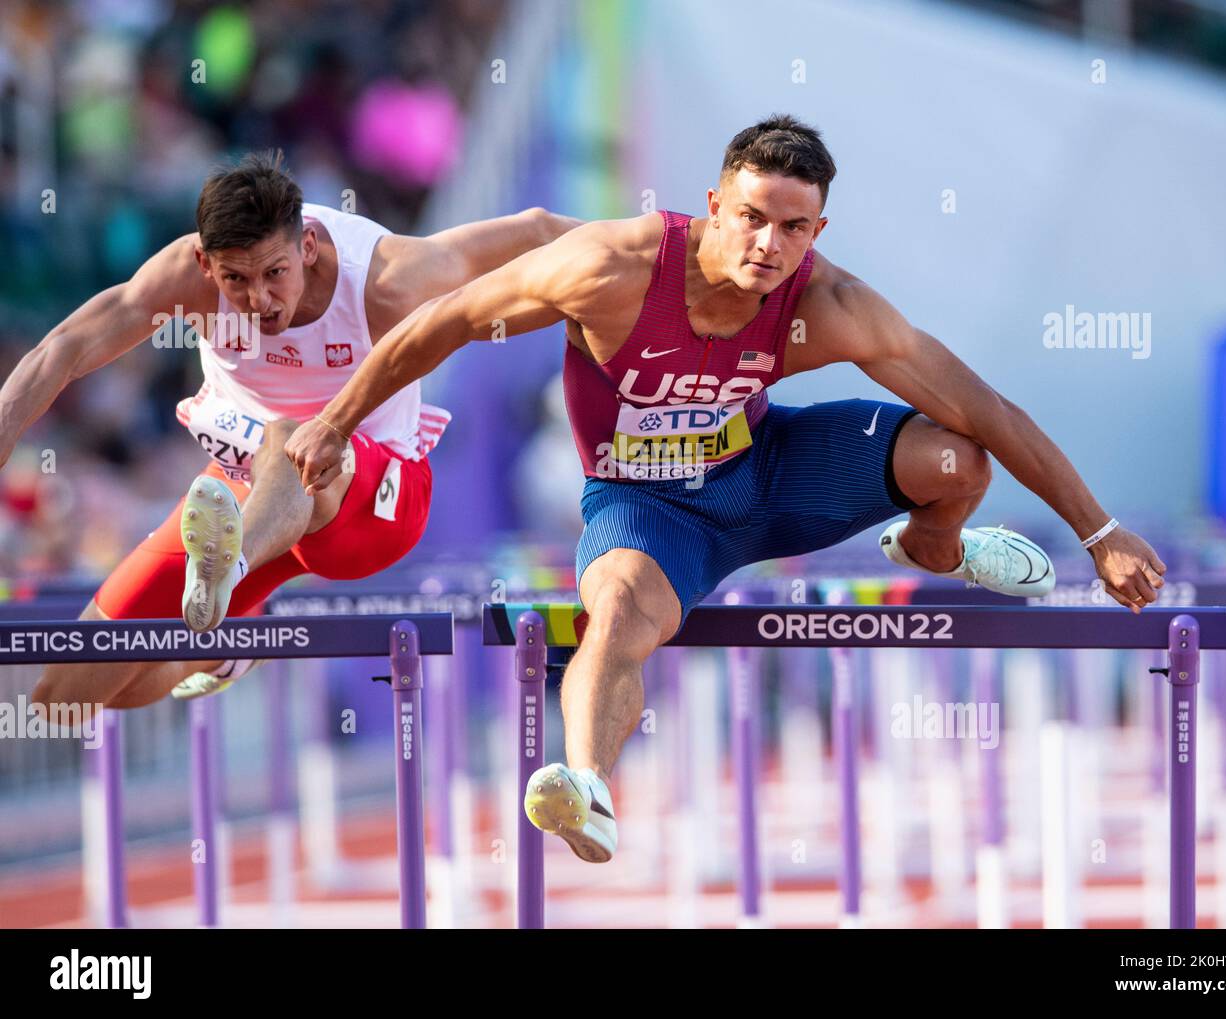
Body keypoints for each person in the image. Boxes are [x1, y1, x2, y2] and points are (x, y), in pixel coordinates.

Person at [285, 116, 1167, 864]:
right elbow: (447, 322)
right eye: (750, 219)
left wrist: (1101, 531)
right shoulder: (608, 267)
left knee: (957, 460)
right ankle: (586, 784)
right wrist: (336, 420)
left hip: (774, 475)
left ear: (817, 232)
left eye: (793, 229)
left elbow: (987, 407)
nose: (767, 246)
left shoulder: (836, 304)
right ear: (713, 206)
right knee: (620, 614)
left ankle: (939, 545)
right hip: (649, 507)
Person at [15, 151, 578, 710]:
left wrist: (661, 259)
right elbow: (62, 349)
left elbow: (538, 231)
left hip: (375, 501)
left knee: (293, 438)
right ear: (204, 264)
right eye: (236, 279)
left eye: (274, 274)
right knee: (68, 695)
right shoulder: (183, 279)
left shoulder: (388, 279)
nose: (259, 300)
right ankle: (220, 648)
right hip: (249, 495)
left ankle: (226, 573)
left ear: (307, 246)